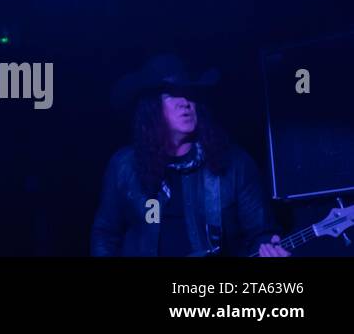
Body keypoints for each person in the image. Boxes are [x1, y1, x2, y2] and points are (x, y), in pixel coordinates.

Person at [90, 55, 290, 257]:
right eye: (172, 95)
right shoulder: (124, 165)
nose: (185, 102)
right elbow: (106, 234)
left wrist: (268, 246)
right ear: (151, 108)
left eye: (189, 94)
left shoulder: (233, 163)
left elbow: (261, 231)